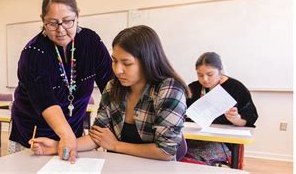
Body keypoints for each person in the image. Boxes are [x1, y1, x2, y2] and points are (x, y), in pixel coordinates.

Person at [30, 25, 189, 161]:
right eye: (114, 61)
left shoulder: (169, 90)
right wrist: (59, 145)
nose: (117, 70)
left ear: (148, 61)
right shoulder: (113, 87)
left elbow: (166, 151)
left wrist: (115, 145)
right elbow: (97, 137)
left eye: (126, 63)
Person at [8, 0, 113, 163]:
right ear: (42, 20)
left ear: (78, 15)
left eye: (68, 21)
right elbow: (45, 101)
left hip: (74, 134)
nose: (61, 29)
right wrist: (65, 135)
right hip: (35, 137)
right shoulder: (33, 53)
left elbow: (111, 87)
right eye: (52, 23)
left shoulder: (91, 42)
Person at [184, 52, 258, 165]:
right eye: (200, 75)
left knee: (193, 159)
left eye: (210, 74)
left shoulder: (236, 88)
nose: (205, 79)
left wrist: (236, 119)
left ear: (220, 70)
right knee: (175, 152)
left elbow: (250, 118)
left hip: (222, 142)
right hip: (193, 137)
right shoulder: (193, 88)